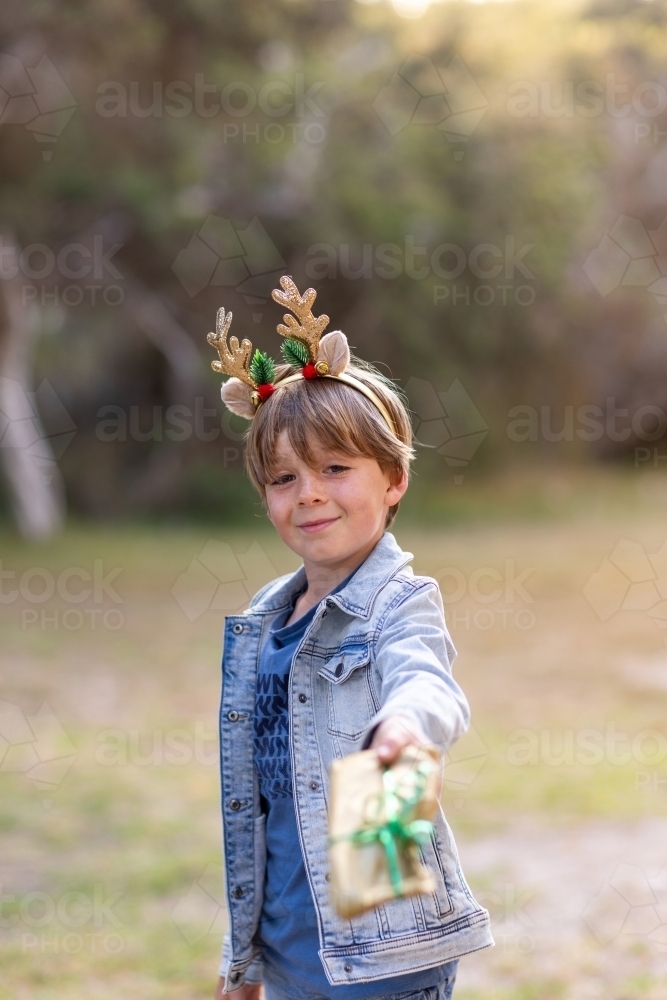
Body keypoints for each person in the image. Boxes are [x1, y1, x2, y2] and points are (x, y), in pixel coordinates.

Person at [209, 278, 493, 1000]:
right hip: (290, 945)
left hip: (382, 949)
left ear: (393, 478)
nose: (308, 492)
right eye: (283, 477)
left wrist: (403, 725)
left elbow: (426, 679)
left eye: (335, 469)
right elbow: (259, 814)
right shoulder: (262, 622)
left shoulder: (397, 602)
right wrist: (243, 958)